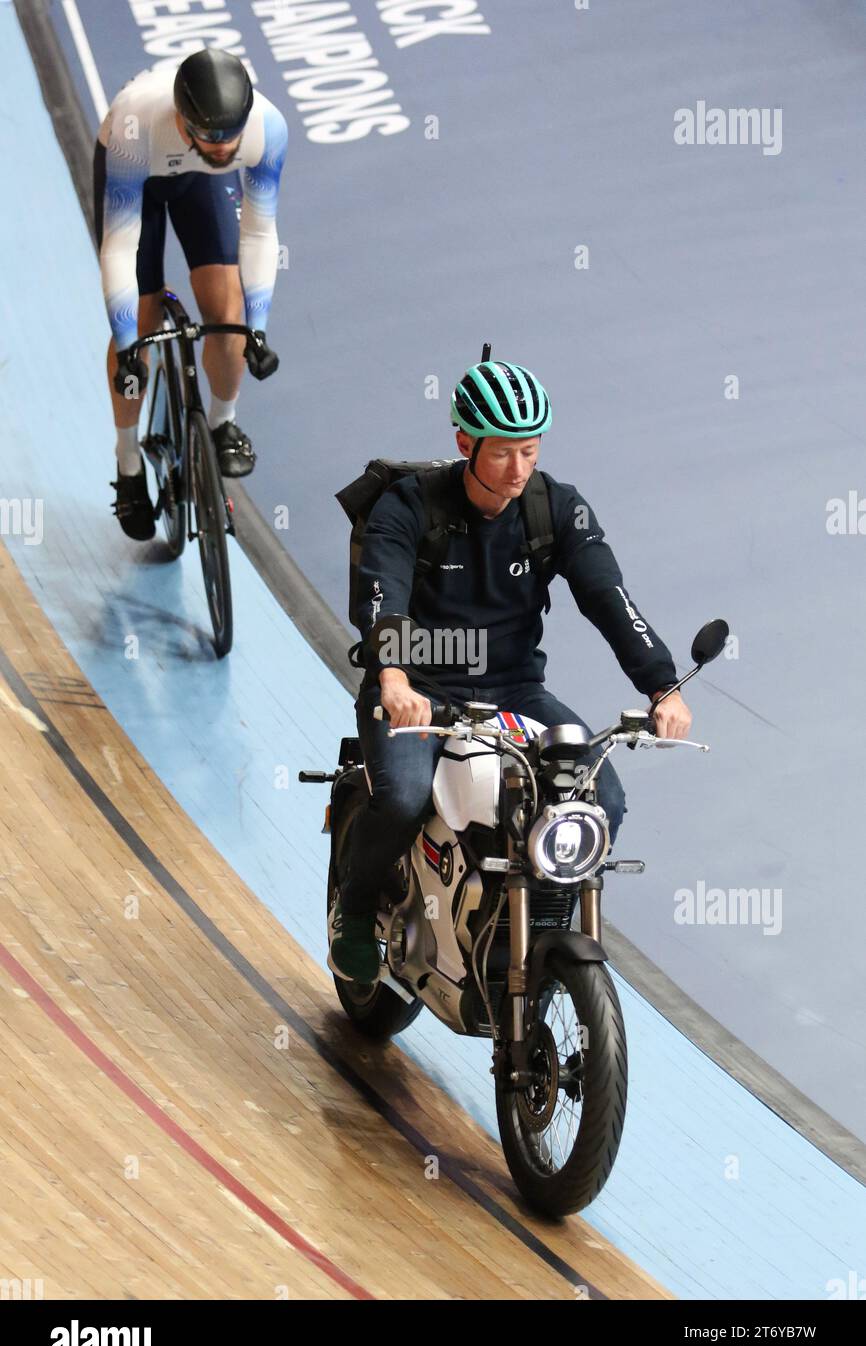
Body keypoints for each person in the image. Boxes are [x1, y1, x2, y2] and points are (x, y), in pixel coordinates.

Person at [329, 357, 692, 983]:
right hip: (419, 690)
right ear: (464, 442)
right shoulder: (408, 508)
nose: (519, 469)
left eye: (530, 450)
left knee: (600, 798)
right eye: (502, 453)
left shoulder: (557, 510)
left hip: (515, 690)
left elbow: (611, 600)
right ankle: (354, 913)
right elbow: (381, 594)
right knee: (405, 797)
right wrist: (392, 680)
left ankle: (537, 919)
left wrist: (662, 685)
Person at [94, 48, 288, 539]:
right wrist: (126, 347)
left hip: (195, 182)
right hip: (137, 180)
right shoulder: (134, 128)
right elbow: (119, 249)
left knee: (229, 315)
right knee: (142, 319)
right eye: (209, 136)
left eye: (231, 135)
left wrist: (257, 332)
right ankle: (127, 458)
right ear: (182, 122)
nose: (223, 147)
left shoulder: (267, 127)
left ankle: (223, 422)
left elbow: (261, 234)